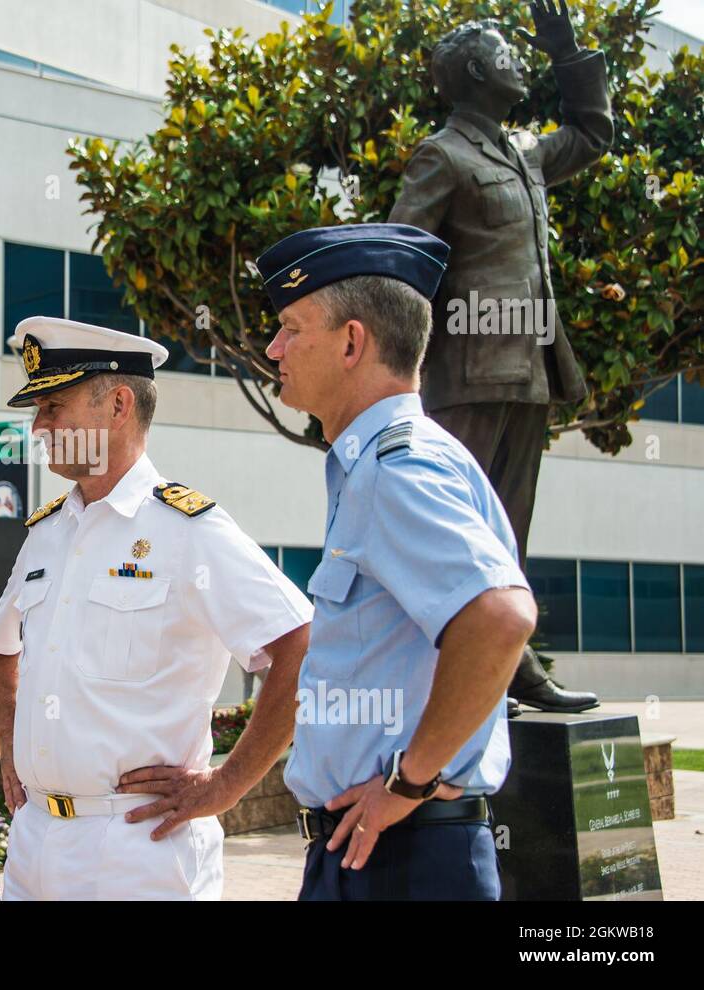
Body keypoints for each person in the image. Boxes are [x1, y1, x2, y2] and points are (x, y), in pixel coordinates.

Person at [0, 316, 313, 901]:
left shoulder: (189, 530)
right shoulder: (48, 531)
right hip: (35, 844)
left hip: (138, 850)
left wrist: (227, 786)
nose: (38, 427)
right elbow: (0, 642)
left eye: (53, 406)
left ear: (117, 404)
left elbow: (301, 645)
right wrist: (10, 749)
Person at [255, 223, 539, 900]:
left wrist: (409, 782)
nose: (273, 349)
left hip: (403, 857)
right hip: (379, 849)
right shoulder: (391, 459)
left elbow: (500, 617)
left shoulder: (395, 469)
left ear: (352, 342)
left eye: (292, 328)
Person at [387, 2, 609, 713]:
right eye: (510, 53)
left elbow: (593, 132)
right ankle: (439, 684)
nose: (521, 63)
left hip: (529, 371)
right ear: (479, 72)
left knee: (507, 531)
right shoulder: (441, 155)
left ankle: (510, 672)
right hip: (466, 377)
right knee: (458, 535)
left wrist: (563, 45)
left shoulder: (525, 150)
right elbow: (400, 263)